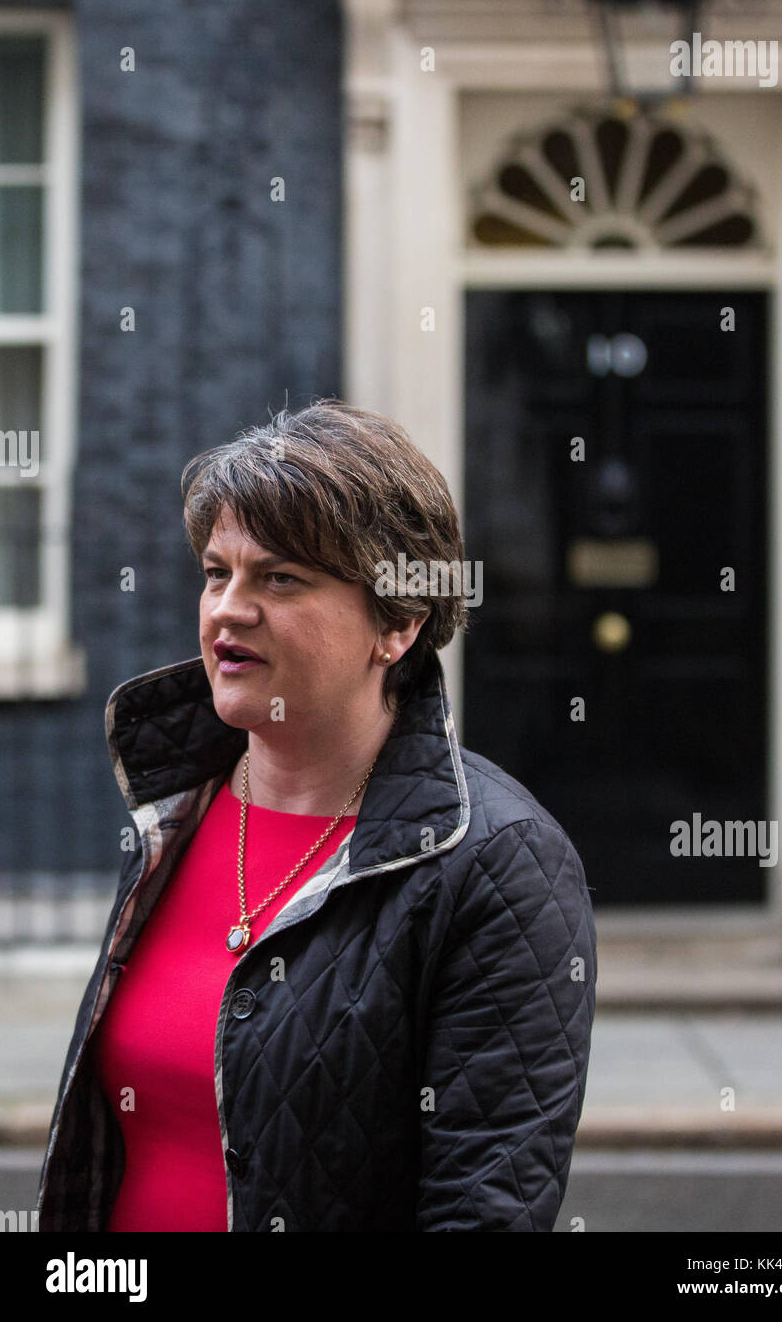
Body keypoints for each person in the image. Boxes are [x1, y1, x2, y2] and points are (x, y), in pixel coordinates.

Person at [37, 399, 597, 1232]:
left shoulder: (498, 862)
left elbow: (483, 1210)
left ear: (399, 623)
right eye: (217, 572)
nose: (228, 607)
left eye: (281, 578)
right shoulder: (176, 813)